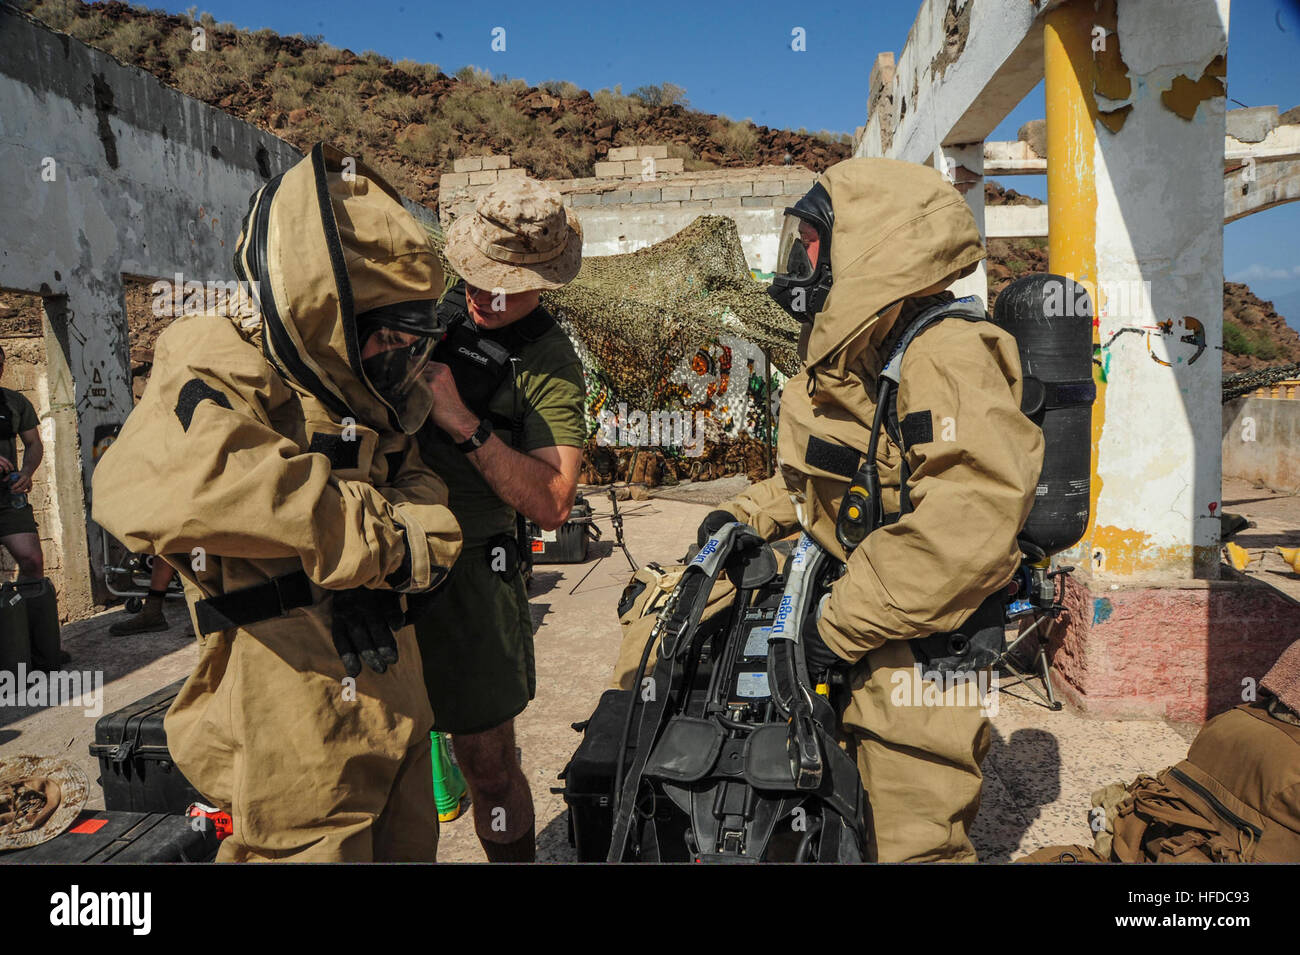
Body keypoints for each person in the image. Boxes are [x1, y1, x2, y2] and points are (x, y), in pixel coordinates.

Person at [92, 144, 463, 862]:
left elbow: (425, 490)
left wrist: (368, 550)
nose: (401, 358)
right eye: (389, 335)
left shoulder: (367, 387)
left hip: (396, 687)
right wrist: (372, 547)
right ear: (329, 312)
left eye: (412, 340)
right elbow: (181, 487)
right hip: (291, 713)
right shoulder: (216, 358)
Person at [694, 158, 1044, 862]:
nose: (801, 263)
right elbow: (841, 480)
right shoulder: (878, 355)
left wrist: (830, 626)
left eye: (813, 246)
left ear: (875, 245)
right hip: (875, 617)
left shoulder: (947, 352)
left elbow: (965, 532)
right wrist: (746, 514)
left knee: (909, 840)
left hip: (921, 648)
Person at [413, 177, 586, 862]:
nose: (486, 296)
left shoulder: (550, 361)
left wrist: (461, 420)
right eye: (480, 277)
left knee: (488, 767)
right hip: (381, 551)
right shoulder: (436, 301)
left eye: (507, 285)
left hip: (471, 573)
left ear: (545, 281)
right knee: (379, 757)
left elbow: (553, 500)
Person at [0, 345, 46, 581]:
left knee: (32, 560)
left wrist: (27, 472)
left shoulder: (14, 402)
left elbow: (34, 444)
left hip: (8, 497)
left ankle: (28, 616)